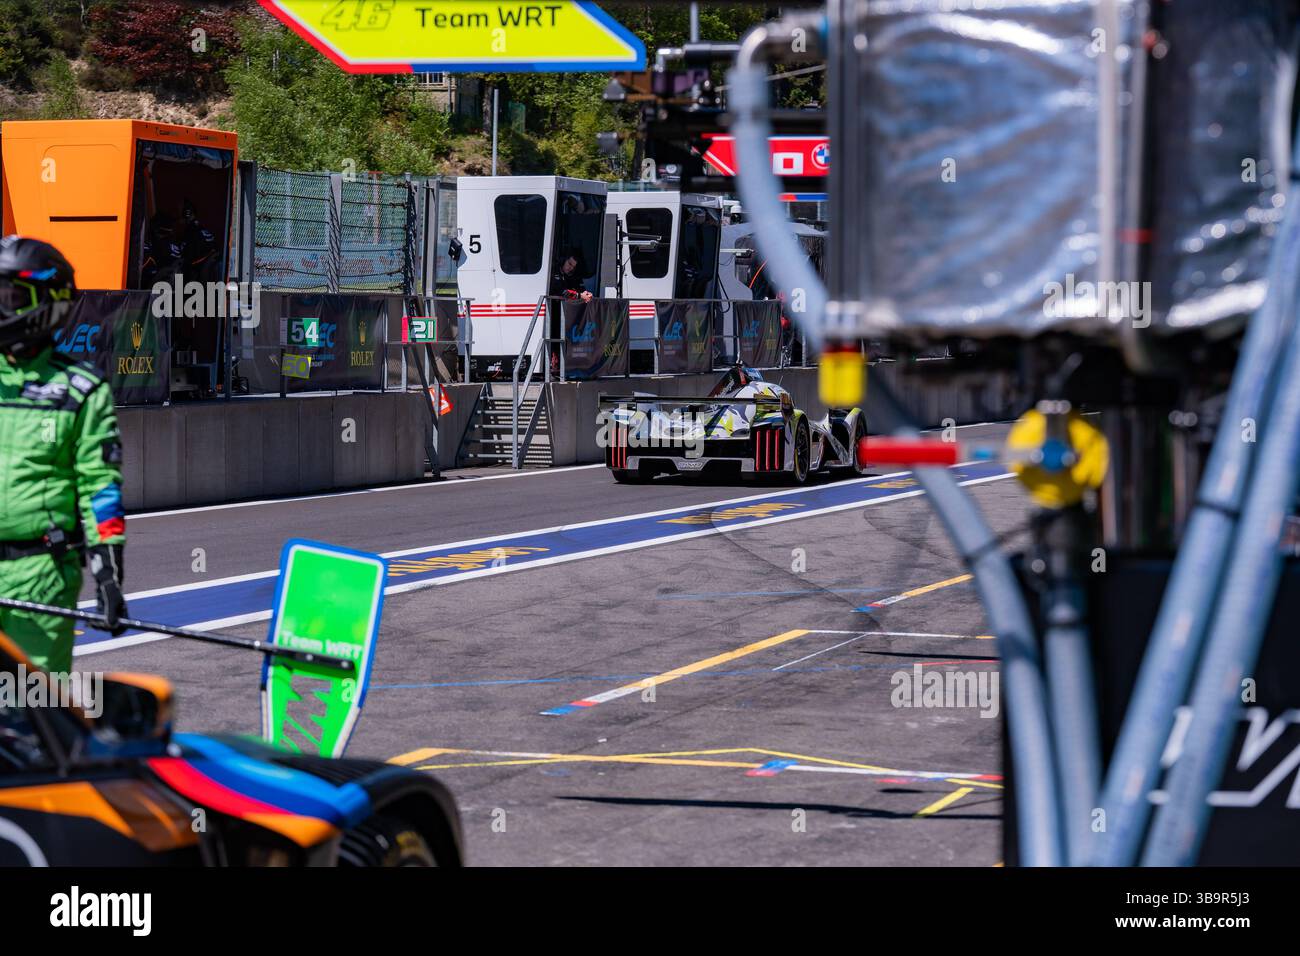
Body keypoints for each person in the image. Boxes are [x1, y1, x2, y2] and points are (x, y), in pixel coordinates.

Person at [0, 236, 127, 673]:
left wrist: (108, 574)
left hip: (41, 577)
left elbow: (100, 488)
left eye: (9, 297)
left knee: (32, 719)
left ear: (48, 303)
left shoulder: (81, 389)